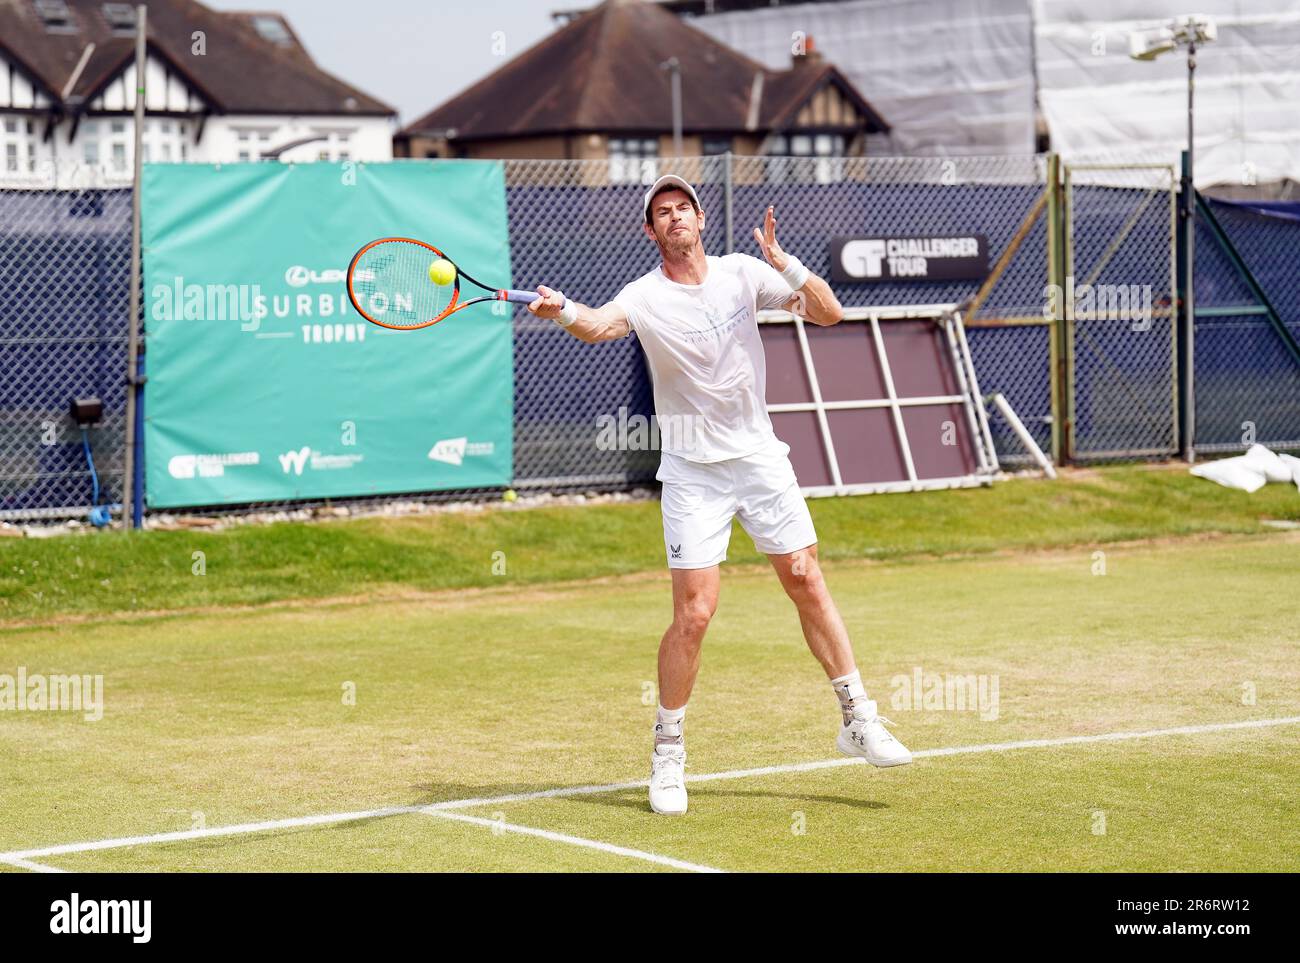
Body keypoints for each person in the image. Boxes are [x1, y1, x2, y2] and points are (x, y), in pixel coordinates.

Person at [526, 174, 911, 816]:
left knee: (806, 578)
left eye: (683, 208)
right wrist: (561, 309)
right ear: (650, 231)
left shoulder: (743, 273)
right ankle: (668, 756)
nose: (675, 218)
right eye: (662, 213)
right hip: (692, 472)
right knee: (695, 614)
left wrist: (785, 264)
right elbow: (596, 326)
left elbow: (829, 312)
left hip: (759, 457)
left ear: (700, 219)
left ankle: (858, 719)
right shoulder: (643, 296)